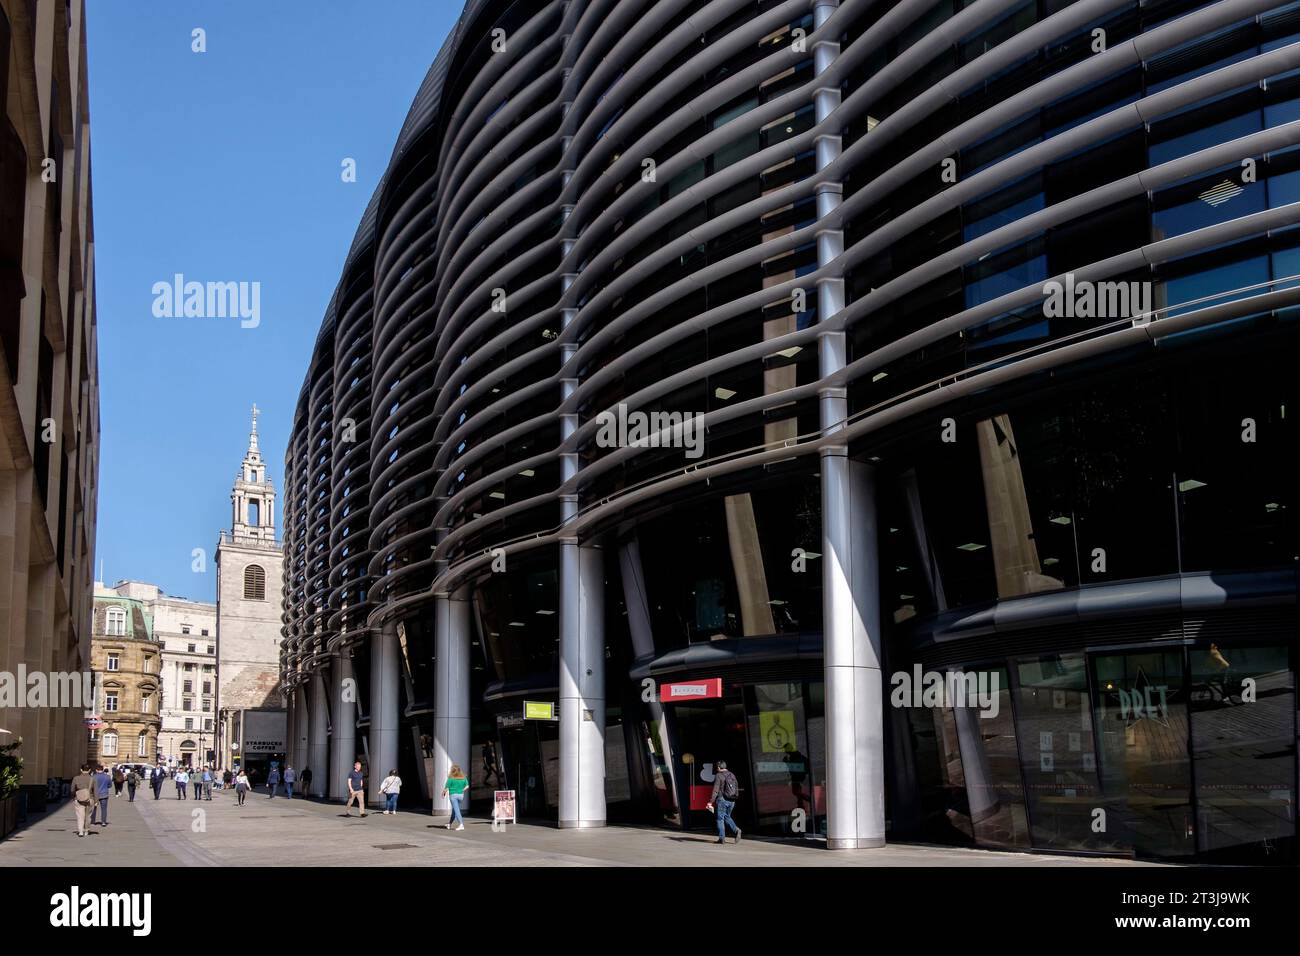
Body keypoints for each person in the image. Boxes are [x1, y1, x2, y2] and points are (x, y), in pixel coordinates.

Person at [705, 759, 742, 845]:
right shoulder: (732, 774)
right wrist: (734, 798)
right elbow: (736, 787)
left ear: (718, 767)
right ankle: (736, 830)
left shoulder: (719, 775)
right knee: (726, 816)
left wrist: (710, 802)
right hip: (732, 800)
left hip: (722, 800)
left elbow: (715, 790)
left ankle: (722, 838)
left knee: (720, 819)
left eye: (716, 767)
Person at [441, 764, 468, 830]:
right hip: (461, 796)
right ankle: (449, 824)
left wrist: (443, 793)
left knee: (457, 810)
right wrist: (462, 790)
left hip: (453, 796)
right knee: (454, 810)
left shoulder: (451, 778)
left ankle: (461, 824)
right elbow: (467, 786)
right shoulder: (463, 777)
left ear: (452, 770)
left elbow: (446, 788)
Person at [71, 764, 94, 837]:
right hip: (90, 798)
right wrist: (96, 801)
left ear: (81, 770)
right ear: (89, 770)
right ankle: (86, 830)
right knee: (88, 816)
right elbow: (96, 790)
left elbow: (72, 789)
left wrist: (74, 797)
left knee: (80, 816)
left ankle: (80, 831)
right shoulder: (92, 779)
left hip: (79, 799)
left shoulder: (76, 778)